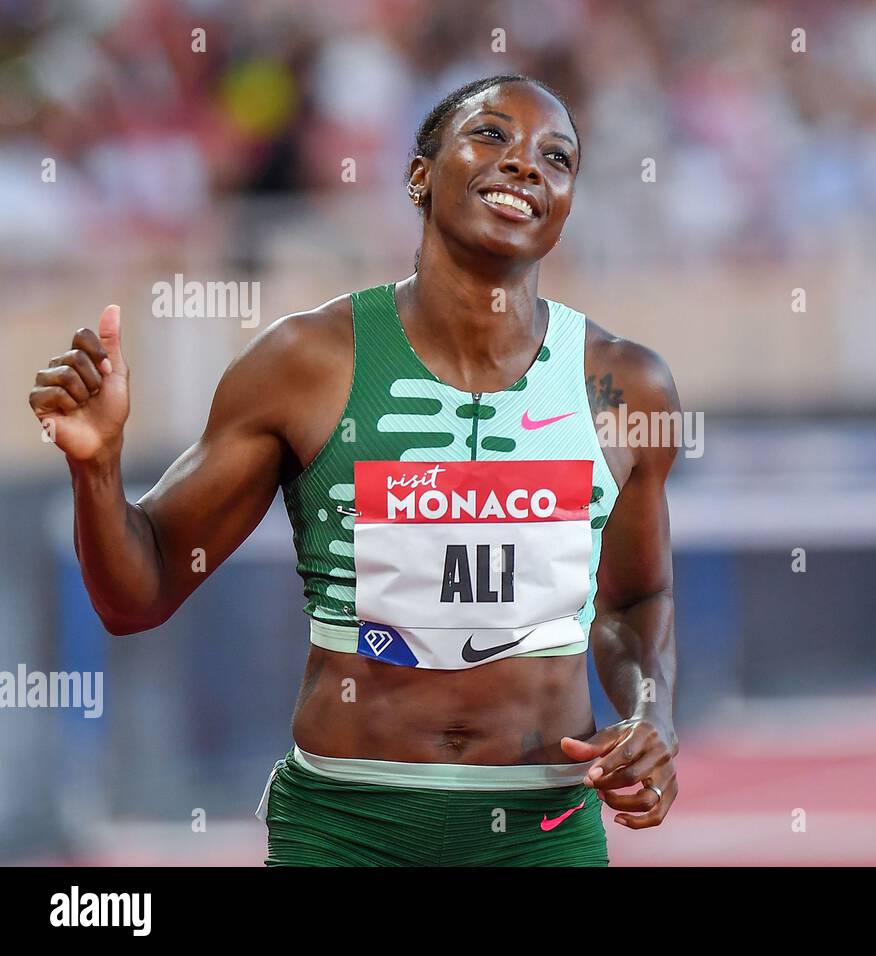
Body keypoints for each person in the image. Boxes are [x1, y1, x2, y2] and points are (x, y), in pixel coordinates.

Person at [27, 73, 680, 866]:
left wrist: (652, 713)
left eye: (557, 157)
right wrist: (96, 469)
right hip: (344, 828)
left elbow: (637, 597)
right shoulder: (304, 362)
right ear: (418, 175)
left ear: (567, 205)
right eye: (491, 136)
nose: (524, 165)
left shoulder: (623, 387)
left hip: (539, 830)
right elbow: (138, 593)